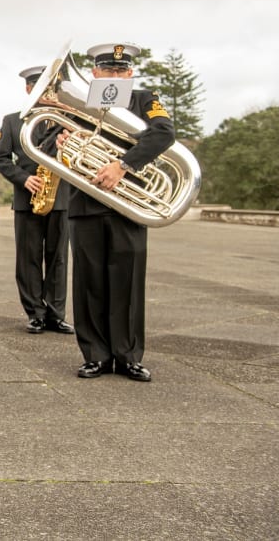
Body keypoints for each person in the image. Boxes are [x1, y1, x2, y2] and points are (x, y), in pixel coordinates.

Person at [63, 43, 175, 382]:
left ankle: (128, 357)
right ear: (94, 73)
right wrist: (63, 141)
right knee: (89, 283)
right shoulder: (80, 103)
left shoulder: (146, 99)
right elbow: (53, 134)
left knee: (127, 284)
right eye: (107, 70)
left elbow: (164, 133)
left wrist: (123, 165)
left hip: (129, 204)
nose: (114, 75)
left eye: (120, 70)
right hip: (86, 203)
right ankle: (95, 355)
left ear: (130, 73)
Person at [0, 67, 74, 335]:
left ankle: (56, 314)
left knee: (58, 258)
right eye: (39, 86)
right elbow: (0, 159)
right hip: (27, 196)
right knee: (28, 258)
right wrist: (23, 179)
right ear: (28, 89)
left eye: (51, 86)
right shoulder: (12, 121)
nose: (46, 92)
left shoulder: (69, 119)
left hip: (60, 197)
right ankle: (35, 314)